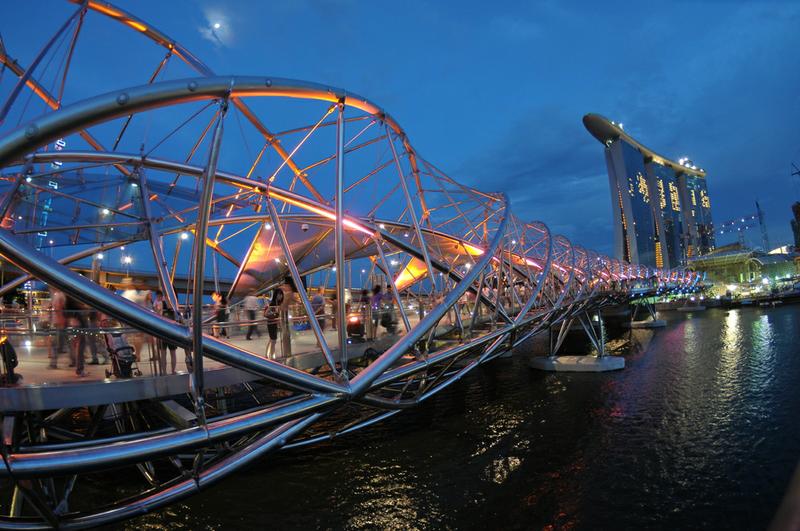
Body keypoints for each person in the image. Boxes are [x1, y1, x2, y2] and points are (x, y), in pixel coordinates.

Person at [64, 293, 88, 377]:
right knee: (80, 347)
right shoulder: (73, 300)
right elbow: (81, 310)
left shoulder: (68, 300)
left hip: (73, 325)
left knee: (76, 347)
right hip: (78, 325)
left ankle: (79, 367)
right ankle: (80, 369)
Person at [264, 288, 283, 359]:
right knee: (273, 340)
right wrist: (272, 312)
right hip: (271, 323)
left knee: (271, 340)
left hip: (274, 323)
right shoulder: (273, 303)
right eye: (279, 294)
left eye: (281, 294)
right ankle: (272, 357)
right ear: (276, 295)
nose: (281, 296)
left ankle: (266, 354)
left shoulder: (277, 303)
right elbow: (266, 314)